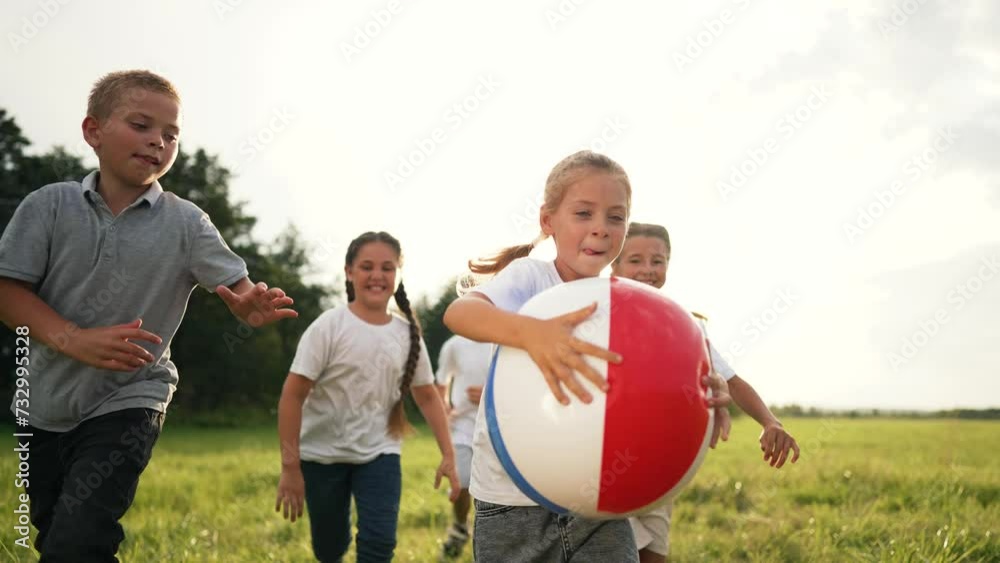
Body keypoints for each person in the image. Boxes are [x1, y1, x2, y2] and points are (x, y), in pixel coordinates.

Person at [0, 70, 298, 562]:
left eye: (171, 134)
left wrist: (249, 303)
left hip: (130, 398)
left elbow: (238, 285)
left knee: (80, 535)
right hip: (43, 404)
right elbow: (8, 291)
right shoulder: (48, 206)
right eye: (141, 125)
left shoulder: (187, 222)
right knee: (56, 537)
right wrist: (73, 338)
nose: (159, 141)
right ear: (93, 131)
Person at [442, 151, 731, 563]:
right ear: (548, 221)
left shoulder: (624, 302)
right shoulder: (530, 277)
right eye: (583, 213)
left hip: (599, 503)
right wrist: (532, 332)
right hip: (512, 502)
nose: (600, 228)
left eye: (616, 217)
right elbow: (460, 314)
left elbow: (655, 377)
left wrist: (700, 391)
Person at [611, 221, 801, 563]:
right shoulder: (599, 312)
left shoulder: (683, 323)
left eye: (658, 261)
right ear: (615, 265)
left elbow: (732, 380)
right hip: (610, 462)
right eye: (635, 260)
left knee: (653, 553)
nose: (647, 270)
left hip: (663, 464)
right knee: (617, 550)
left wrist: (770, 422)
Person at [274, 231, 461, 563]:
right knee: (329, 548)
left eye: (387, 268)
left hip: (380, 452)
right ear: (349, 272)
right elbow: (292, 395)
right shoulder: (329, 326)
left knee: (379, 544)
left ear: (399, 274)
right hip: (321, 456)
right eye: (367, 267)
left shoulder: (407, 334)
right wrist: (290, 467)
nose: (377, 275)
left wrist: (448, 454)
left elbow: (428, 396)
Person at [434, 334, 493, 560]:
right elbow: (441, 381)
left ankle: (491, 533)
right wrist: (444, 408)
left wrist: (489, 392)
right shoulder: (454, 345)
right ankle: (460, 528)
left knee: (491, 484)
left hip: (496, 425)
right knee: (462, 479)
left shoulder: (502, 340)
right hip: (462, 426)